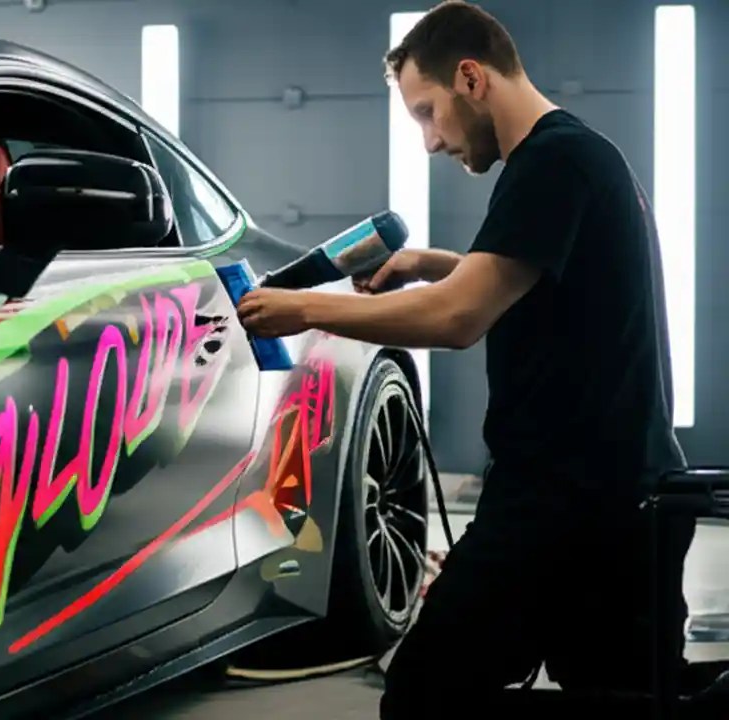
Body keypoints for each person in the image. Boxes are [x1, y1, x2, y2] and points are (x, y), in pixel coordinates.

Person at [236, 1, 696, 717]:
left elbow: (460, 318)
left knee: (425, 693)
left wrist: (303, 310)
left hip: (566, 505)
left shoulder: (551, 164)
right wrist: (435, 264)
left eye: (427, 112)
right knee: (619, 693)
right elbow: (539, 281)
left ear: (471, 78)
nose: (428, 141)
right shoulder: (580, 155)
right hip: (617, 495)